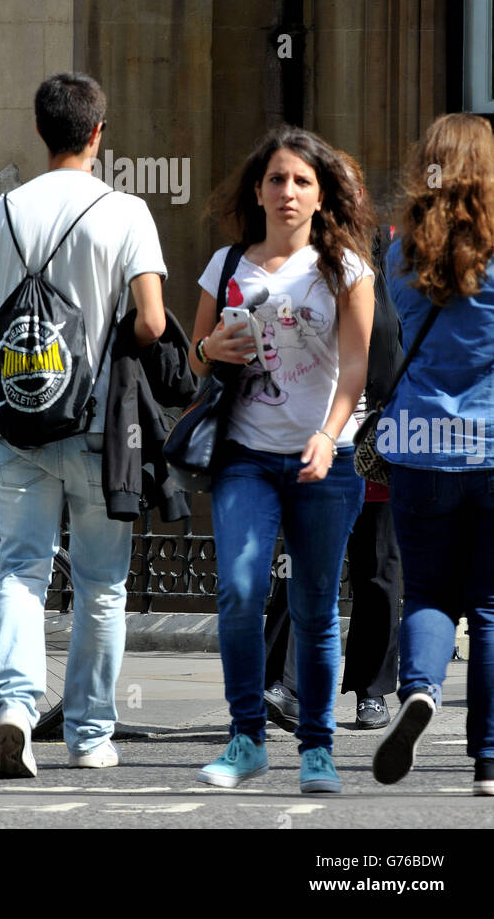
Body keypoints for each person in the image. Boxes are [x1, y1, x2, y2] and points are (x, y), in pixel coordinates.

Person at [0, 71, 168, 777]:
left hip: (17, 422)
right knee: (100, 582)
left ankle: (15, 709)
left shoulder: (0, 214)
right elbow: (149, 320)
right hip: (98, 425)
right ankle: (86, 734)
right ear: (98, 132)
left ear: (41, 128)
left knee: (19, 568)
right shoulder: (126, 213)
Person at [190, 124, 374, 792]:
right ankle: (245, 739)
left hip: (326, 459)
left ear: (321, 195)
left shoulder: (345, 270)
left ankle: (316, 748)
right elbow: (194, 352)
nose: (287, 191)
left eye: (301, 180)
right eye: (276, 179)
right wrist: (212, 351)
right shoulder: (226, 263)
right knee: (239, 590)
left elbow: (354, 369)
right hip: (244, 454)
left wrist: (327, 436)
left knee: (315, 605)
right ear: (258, 190)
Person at [371, 113, 494, 798]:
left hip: (419, 445)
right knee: (490, 606)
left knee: (426, 592)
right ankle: (487, 762)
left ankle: (418, 691)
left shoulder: (400, 254)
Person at [265, 154, 402, 732]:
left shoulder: (389, 251)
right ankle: (285, 683)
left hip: (376, 435)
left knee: (376, 569)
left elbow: (398, 339)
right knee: (300, 565)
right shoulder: (298, 260)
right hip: (312, 433)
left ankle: (372, 690)